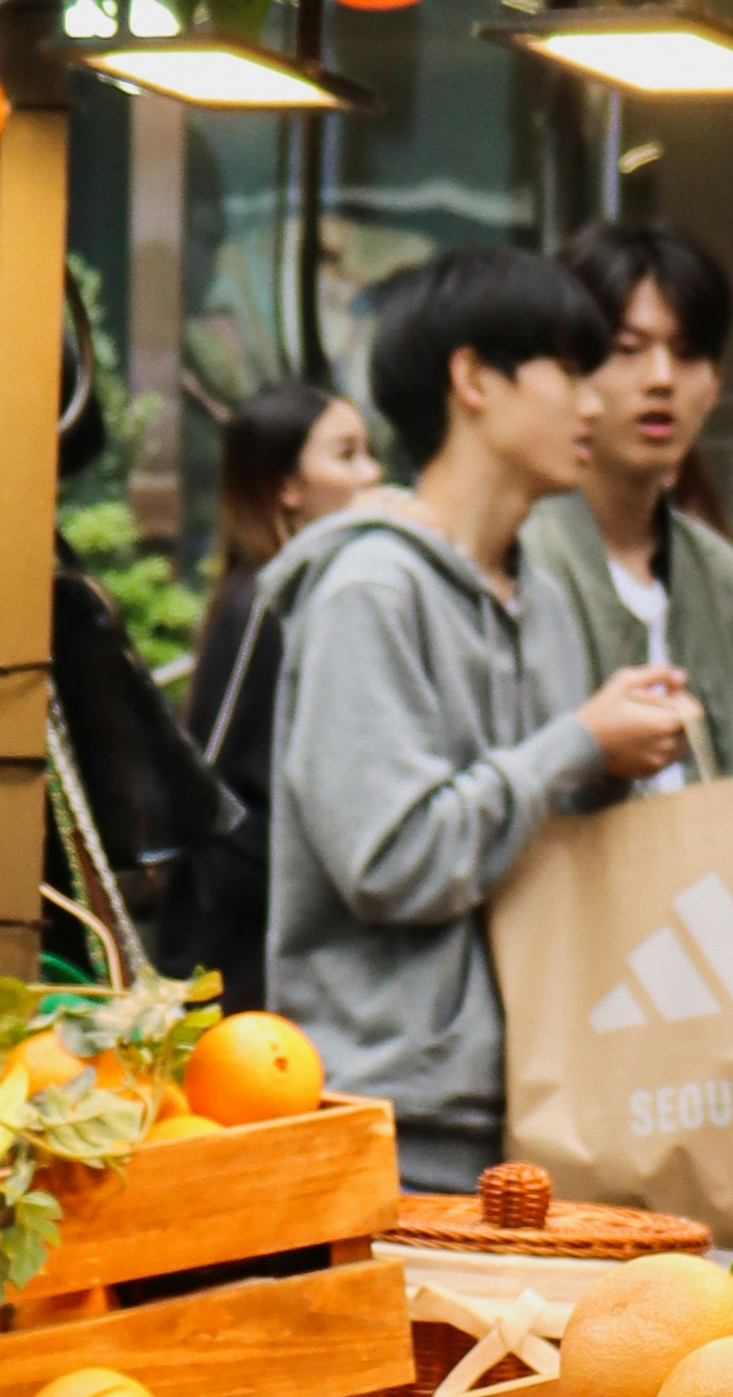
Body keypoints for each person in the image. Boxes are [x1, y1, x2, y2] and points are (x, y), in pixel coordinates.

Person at [265, 248, 687, 1186]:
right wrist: (576, 744)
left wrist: (609, 760)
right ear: (473, 379)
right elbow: (390, 857)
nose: (596, 402)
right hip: (397, 1120)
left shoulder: (542, 595)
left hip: (546, 1104)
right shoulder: (368, 591)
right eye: (571, 369)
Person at [523, 219, 733, 781]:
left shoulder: (722, 577)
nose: (661, 379)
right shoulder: (522, 558)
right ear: (567, 372)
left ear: (716, 385)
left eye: (686, 354)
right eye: (627, 349)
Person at [184, 380, 377, 794]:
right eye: (347, 455)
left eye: (369, 452)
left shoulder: (334, 589)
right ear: (287, 488)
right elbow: (211, 767)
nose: (372, 473)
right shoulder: (259, 604)